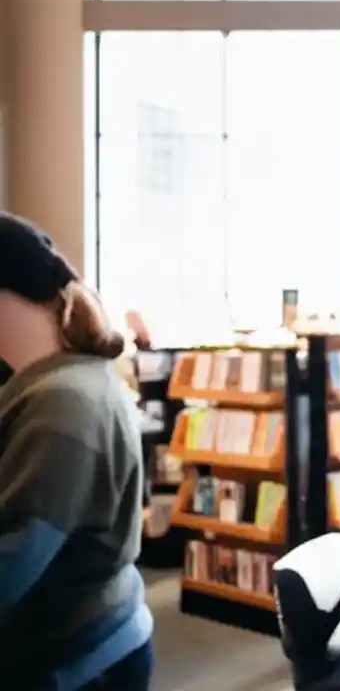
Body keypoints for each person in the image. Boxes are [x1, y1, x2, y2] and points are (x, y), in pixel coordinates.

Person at [0, 211, 154, 690]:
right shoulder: (67, 378)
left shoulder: (62, 402)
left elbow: (10, 565)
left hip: (76, 658)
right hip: (95, 636)